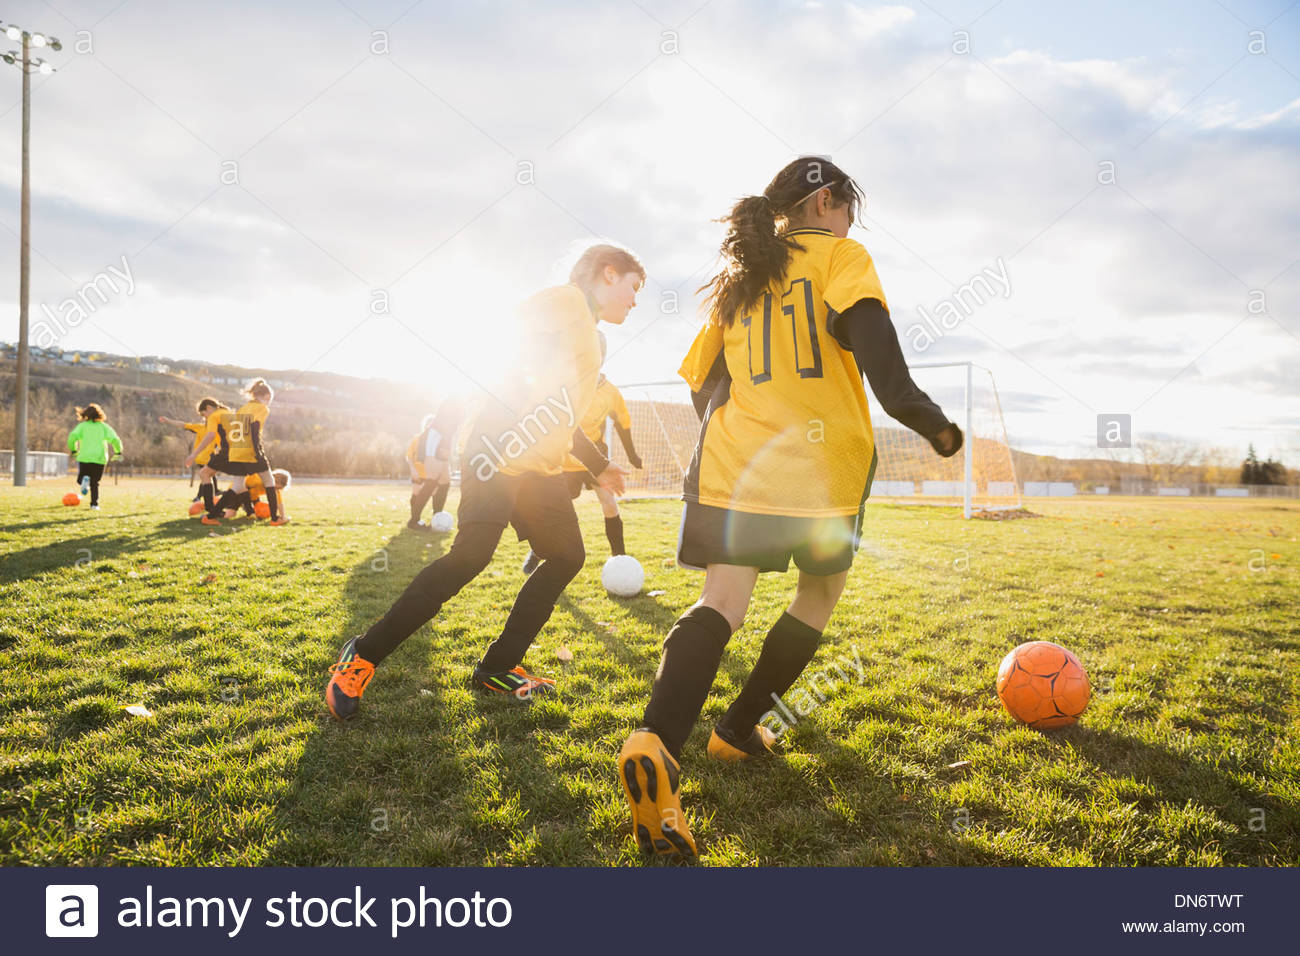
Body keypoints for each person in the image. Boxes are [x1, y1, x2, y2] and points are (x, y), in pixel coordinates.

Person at [617, 157, 964, 858]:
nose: (847, 224)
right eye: (847, 211)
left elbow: (701, 388)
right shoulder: (843, 256)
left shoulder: (739, 279)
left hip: (736, 463)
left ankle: (657, 742)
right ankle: (737, 728)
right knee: (819, 594)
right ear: (829, 201)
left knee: (721, 602)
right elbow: (889, 380)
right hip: (820, 473)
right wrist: (937, 427)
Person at [324, 244, 642, 719]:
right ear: (609, 274)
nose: (635, 302)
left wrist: (597, 462)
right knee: (471, 556)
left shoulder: (587, 334)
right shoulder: (567, 301)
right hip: (496, 456)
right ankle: (361, 656)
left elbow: (562, 416)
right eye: (634, 288)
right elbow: (499, 341)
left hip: (539, 470)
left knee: (568, 556)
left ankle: (498, 667)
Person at [522, 332, 643, 573]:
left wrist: (632, 455)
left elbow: (622, 423)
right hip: (566, 454)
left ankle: (620, 561)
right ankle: (537, 553)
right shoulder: (565, 386)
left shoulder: (611, 392)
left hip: (596, 456)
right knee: (558, 508)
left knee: (609, 502)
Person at [186, 379, 287, 526]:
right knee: (269, 481)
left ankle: (211, 516)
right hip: (251, 451)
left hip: (236, 451)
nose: (269, 402)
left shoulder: (243, 408)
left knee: (238, 486)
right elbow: (254, 427)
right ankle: (275, 519)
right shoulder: (263, 409)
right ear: (267, 396)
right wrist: (258, 452)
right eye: (269, 399)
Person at [406, 396, 466, 531]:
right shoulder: (450, 408)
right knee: (432, 479)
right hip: (433, 443)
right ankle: (414, 521)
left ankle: (437, 517)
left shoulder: (459, 416)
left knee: (445, 481)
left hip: (442, 447)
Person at [159, 398, 223, 512]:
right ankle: (207, 501)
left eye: (204, 415)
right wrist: (168, 421)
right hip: (201, 459)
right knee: (207, 477)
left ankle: (208, 501)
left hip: (212, 458)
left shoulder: (218, 428)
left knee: (207, 478)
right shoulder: (200, 428)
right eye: (203, 416)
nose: (205, 418)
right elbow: (183, 424)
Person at [67, 403, 123, 511]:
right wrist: (118, 452)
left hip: (84, 457)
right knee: (95, 483)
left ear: (86, 414)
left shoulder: (82, 426)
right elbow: (115, 439)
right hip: (99, 458)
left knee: (81, 479)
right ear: (100, 414)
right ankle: (94, 505)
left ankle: (84, 481)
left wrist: (73, 449)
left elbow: (72, 437)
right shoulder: (104, 427)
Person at [216, 468, 291, 520]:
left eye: (278, 489)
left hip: (253, 497)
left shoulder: (274, 489)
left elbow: (279, 504)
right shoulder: (257, 479)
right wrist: (249, 509)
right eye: (276, 488)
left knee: (262, 510)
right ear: (274, 480)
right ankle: (213, 507)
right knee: (230, 515)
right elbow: (242, 488)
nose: (276, 491)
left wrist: (283, 517)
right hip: (237, 494)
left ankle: (249, 510)